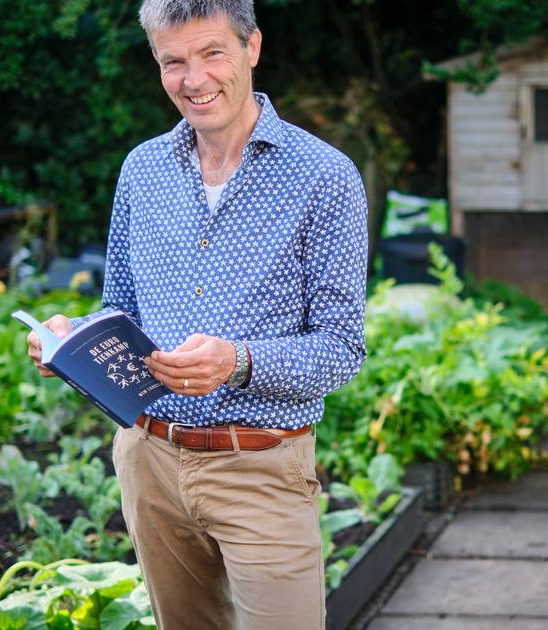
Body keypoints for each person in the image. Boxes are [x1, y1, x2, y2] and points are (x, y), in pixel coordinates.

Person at [26, 1, 368, 627]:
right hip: (148, 461)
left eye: (212, 53)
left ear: (252, 48)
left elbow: (342, 347)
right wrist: (75, 341)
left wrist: (236, 362)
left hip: (260, 464)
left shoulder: (325, 175)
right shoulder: (142, 170)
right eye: (173, 62)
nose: (194, 79)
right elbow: (122, 307)